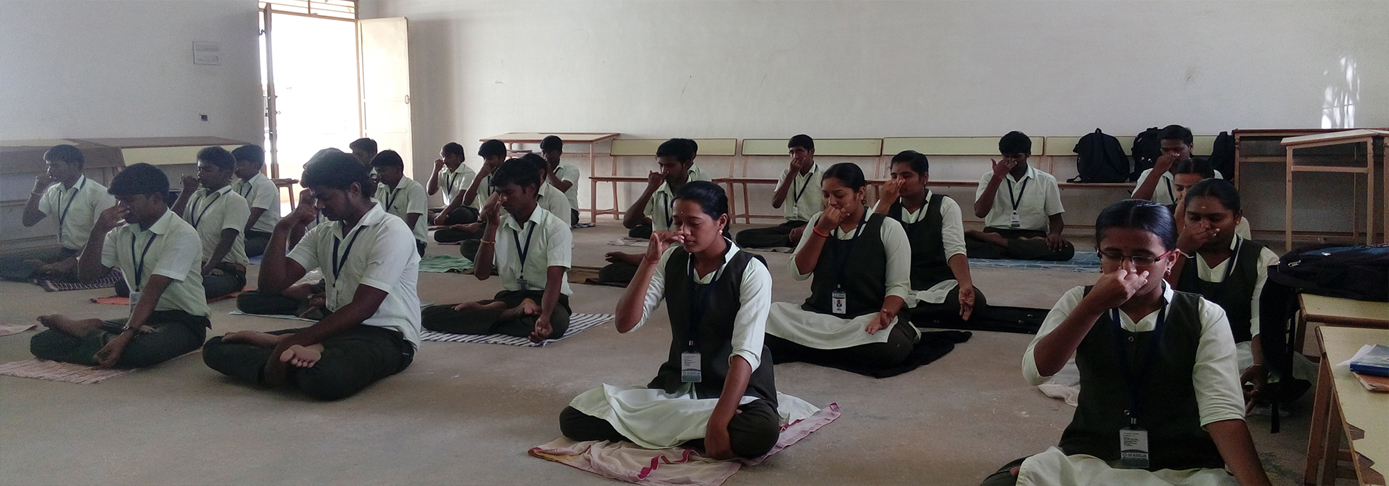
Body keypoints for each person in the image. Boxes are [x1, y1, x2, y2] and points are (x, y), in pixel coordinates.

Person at [980, 199, 1270, 486]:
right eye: (1113, 254)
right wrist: (1092, 308)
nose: (1127, 268)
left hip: (1182, 465)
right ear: (1098, 254)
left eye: (1143, 256)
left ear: (1170, 259)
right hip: (1091, 455)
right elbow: (1036, 372)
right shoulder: (1078, 302)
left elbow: (1222, 413)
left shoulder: (1203, 315)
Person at [559, 181, 780, 459]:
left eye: (694, 223)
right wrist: (649, 262)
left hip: (738, 391)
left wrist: (719, 420)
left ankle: (683, 426)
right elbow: (625, 323)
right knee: (573, 417)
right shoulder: (673, 259)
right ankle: (690, 429)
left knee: (759, 432)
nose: (683, 232)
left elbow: (745, 354)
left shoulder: (751, 270)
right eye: (678, 223)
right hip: (678, 385)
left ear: (721, 221)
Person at [203, 151, 421, 401]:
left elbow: (364, 307)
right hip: (336, 328)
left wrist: (289, 344)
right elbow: (271, 285)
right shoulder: (324, 232)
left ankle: (292, 349)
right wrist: (284, 226)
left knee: (327, 377)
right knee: (216, 346)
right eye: (315, 199)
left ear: (354, 189)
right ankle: (302, 350)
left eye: (325, 198)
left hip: (385, 334)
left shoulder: (391, 231)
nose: (319, 206)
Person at [30, 163, 210, 369]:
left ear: (156, 199)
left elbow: (154, 289)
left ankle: (92, 331)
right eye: (118, 200)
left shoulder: (181, 233)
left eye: (129, 200)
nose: (120, 207)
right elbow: (86, 277)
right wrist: (98, 231)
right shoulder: (121, 232)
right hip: (140, 317)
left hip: (183, 322)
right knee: (41, 341)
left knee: (138, 353)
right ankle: (98, 333)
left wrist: (125, 336)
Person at [763, 163, 919, 370]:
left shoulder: (888, 227)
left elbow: (899, 285)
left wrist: (886, 313)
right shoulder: (818, 222)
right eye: (826, 195)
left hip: (865, 318)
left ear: (860, 193)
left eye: (839, 195)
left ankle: (813, 348)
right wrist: (822, 230)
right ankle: (834, 349)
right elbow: (798, 272)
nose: (831, 203)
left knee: (891, 346)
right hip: (820, 314)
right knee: (770, 314)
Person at [420, 158, 573, 342]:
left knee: (556, 324)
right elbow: (481, 273)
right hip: (510, 298)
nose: (503, 200)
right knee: (429, 315)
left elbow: (554, 280)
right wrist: (491, 227)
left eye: (508, 192)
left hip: (548, 299)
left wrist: (545, 318)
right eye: (499, 194)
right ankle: (512, 312)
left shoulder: (556, 228)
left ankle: (494, 314)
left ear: (531, 189)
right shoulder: (500, 225)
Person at [1167, 179, 1280, 405]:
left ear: (1237, 217)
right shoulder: (1170, 251)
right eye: (1194, 218)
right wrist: (1180, 253)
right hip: (1182, 343)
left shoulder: (1261, 259)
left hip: (1235, 345)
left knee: (1276, 364)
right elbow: (1156, 302)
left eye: (1215, 218)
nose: (1204, 226)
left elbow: (1260, 323)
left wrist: (1258, 366)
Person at [875, 150, 986, 328]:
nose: (899, 182)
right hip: (897, 282)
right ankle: (902, 310)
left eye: (906, 175)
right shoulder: (886, 205)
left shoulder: (945, 205)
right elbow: (868, 242)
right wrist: (884, 203)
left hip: (938, 282)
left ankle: (899, 313)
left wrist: (965, 285)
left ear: (924, 177)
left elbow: (955, 249)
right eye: (894, 176)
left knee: (976, 301)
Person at [599, 139, 711, 285]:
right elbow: (628, 222)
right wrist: (650, 189)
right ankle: (656, 267)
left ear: (687, 165)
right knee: (609, 272)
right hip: (662, 253)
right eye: (661, 165)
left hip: (689, 253)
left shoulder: (699, 190)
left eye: (670, 165)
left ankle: (647, 264)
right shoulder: (658, 189)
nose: (665, 171)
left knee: (689, 267)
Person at [1, 144, 115, 282]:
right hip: (67, 252)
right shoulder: (53, 191)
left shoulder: (100, 194)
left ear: (74, 165)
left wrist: (67, 263)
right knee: (5, 263)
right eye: (48, 166)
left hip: (95, 254)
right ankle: (48, 269)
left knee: (78, 276)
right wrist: (37, 191)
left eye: (55, 166)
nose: (49, 171)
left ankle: (45, 269)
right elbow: (28, 221)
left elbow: (104, 238)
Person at [966, 131, 1074, 261]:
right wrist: (997, 178)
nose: (1012, 162)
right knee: (959, 244)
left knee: (1067, 249)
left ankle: (1002, 246)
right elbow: (980, 212)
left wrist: (1054, 234)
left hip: (1031, 235)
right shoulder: (989, 177)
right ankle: (1016, 248)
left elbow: (1056, 219)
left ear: (1028, 154)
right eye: (1006, 157)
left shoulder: (1046, 180)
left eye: (1017, 157)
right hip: (995, 232)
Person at [170, 146, 250, 299]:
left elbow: (226, 240)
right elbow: (171, 222)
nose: (200, 175)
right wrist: (186, 193)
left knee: (195, 288)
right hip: (196, 265)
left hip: (227, 269)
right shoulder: (196, 196)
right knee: (131, 284)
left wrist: (206, 270)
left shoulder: (234, 201)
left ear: (225, 173)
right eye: (199, 169)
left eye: (207, 170)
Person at [734, 134, 821, 249]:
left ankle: (795, 240)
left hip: (813, 224)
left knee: (823, 237)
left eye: (799, 151)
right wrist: (791, 174)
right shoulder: (786, 173)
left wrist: (807, 227)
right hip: (790, 226)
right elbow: (776, 203)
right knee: (742, 236)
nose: (795, 156)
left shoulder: (824, 176)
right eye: (791, 152)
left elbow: (828, 210)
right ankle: (789, 240)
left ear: (811, 152)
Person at [434, 139, 507, 249]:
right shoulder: (482, 176)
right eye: (484, 159)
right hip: (485, 222)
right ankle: (476, 231)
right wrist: (479, 177)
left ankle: (477, 232)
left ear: (501, 158)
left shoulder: (509, 177)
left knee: (468, 246)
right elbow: (466, 201)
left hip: (504, 223)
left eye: (490, 158)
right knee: (439, 235)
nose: (486, 162)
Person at [1132, 125, 1224, 206]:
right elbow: (1135, 205)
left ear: (1190, 147)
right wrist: (1156, 173)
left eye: (1177, 149)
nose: (1172, 154)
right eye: (1165, 150)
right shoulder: (1149, 174)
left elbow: (1221, 205)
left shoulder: (1212, 174)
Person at [1170, 159, 1250, 240]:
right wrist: (1176, 224)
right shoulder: (1164, 216)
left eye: (1193, 188)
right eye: (1179, 188)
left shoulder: (1233, 220)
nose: (1185, 194)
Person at [370, 150, 430, 256]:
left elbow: (409, 226)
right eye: (377, 172)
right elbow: (372, 218)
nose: (379, 176)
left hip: (411, 240)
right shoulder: (380, 188)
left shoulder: (414, 188)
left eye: (383, 171)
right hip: (386, 237)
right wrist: (371, 194)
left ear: (398, 170)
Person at [230, 144, 280, 258]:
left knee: (232, 250)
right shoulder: (237, 185)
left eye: (240, 164)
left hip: (263, 236)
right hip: (243, 232)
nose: (236, 169)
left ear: (255, 165)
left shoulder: (265, 186)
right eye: (235, 165)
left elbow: (252, 217)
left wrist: (236, 237)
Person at [427, 142, 478, 233]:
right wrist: (435, 171)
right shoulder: (443, 172)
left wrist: (443, 213)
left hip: (467, 209)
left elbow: (461, 197)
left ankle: (437, 217)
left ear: (460, 158)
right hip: (447, 208)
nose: (444, 160)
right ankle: (443, 220)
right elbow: (430, 191)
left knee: (461, 214)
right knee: (423, 211)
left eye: (448, 157)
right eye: (443, 157)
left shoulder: (468, 173)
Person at [540, 135, 581, 227]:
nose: (546, 156)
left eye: (551, 152)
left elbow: (561, 189)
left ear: (560, 152)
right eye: (544, 152)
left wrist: (549, 171)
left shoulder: (571, 169)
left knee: (552, 220)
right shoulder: (539, 169)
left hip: (569, 210)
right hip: (544, 207)